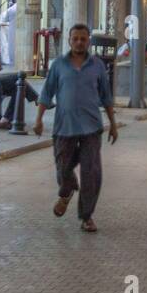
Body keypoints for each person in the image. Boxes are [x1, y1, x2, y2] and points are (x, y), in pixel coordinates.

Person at [33, 23, 119, 231]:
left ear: (88, 40)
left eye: (83, 38)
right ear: (69, 40)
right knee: (63, 168)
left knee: (91, 173)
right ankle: (67, 190)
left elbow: (106, 97)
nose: (79, 42)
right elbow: (46, 94)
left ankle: (86, 216)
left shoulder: (97, 66)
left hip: (91, 127)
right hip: (65, 126)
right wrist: (38, 119)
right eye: (75, 38)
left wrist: (113, 125)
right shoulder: (59, 65)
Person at [0, 0, 17, 68]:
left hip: (10, 30)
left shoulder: (10, 10)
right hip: (10, 29)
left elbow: (5, 20)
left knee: (9, 46)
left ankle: (11, 61)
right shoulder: (12, 9)